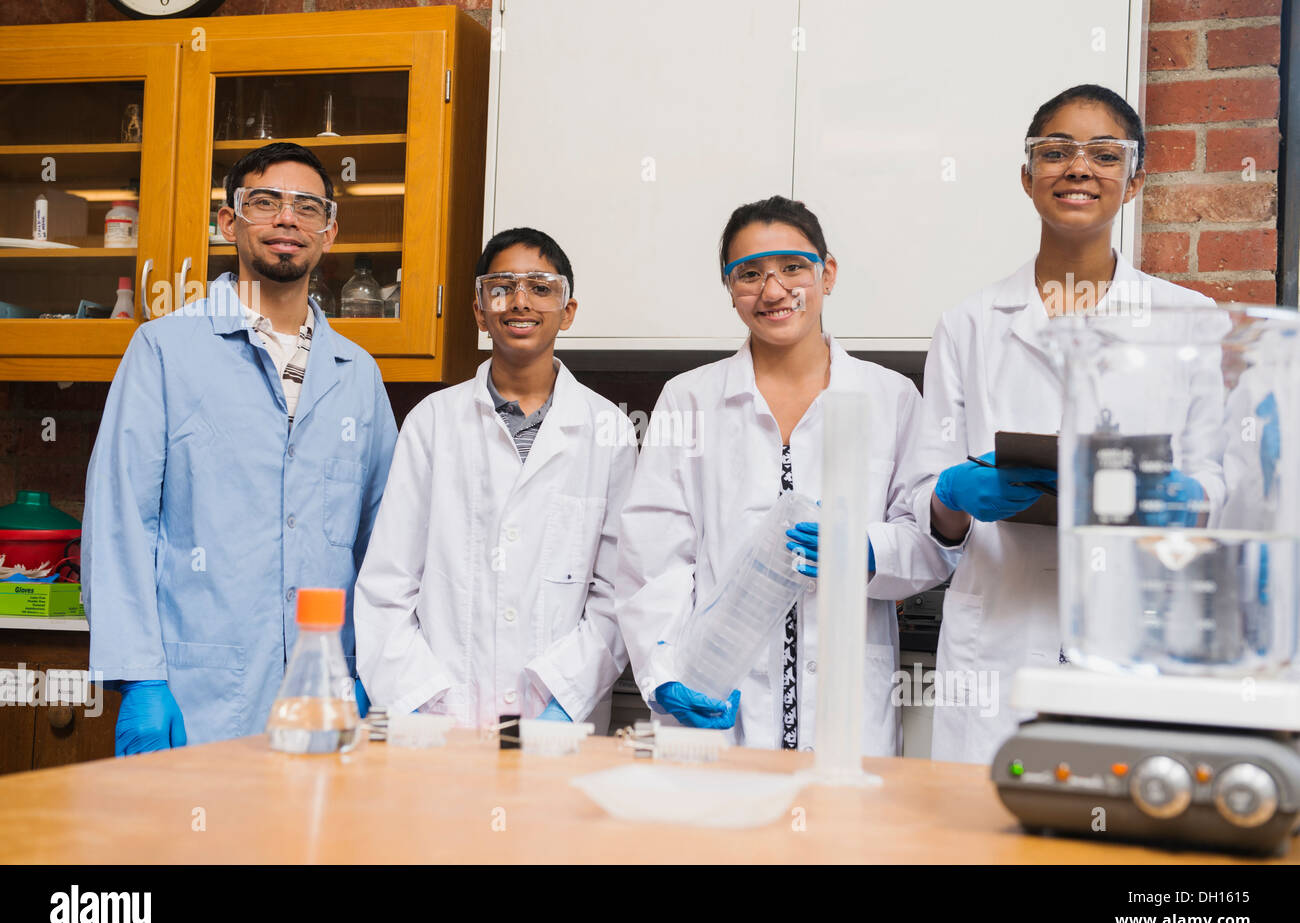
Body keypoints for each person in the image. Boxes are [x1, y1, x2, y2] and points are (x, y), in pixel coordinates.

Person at [912, 85, 1222, 764]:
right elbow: (922, 499)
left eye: (1104, 154)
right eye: (1055, 152)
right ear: (1027, 179)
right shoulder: (968, 325)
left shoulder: (1190, 323)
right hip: (997, 633)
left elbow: (1216, 475)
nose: (1079, 167)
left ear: (1134, 181)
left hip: (1134, 630)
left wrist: (1190, 500)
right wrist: (952, 496)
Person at [84, 142, 397, 753]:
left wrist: (372, 668)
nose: (288, 219)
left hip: (326, 692)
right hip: (198, 694)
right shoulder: (164, 350)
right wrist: (141, 677)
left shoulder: (357, 373)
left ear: (329, 231)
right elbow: (120, 522)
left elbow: (385, 540)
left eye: (308, 207)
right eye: (266, 202)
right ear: (229, 222)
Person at [616, 196, 955, 753]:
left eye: (793, 268)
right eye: (749, 274)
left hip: (848, 710)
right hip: (719, 692)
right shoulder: (689, 400)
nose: (773, 291)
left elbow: (930, 541)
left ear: (828, 273)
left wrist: (866, 550)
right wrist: (665, 670)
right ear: (730, 290)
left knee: (840, 835)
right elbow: (655, 559)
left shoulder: (889, 397)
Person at [353, 228, 637, 728]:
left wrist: (564, 699)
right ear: (480, 310)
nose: (519, 301)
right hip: (443, 718)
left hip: (561, 719)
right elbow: (387, 586)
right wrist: (422, 699)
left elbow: (617, 592)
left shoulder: (608, 430)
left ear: (568, 311)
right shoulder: (432, 421)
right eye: (501, 287)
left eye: (541, 287)